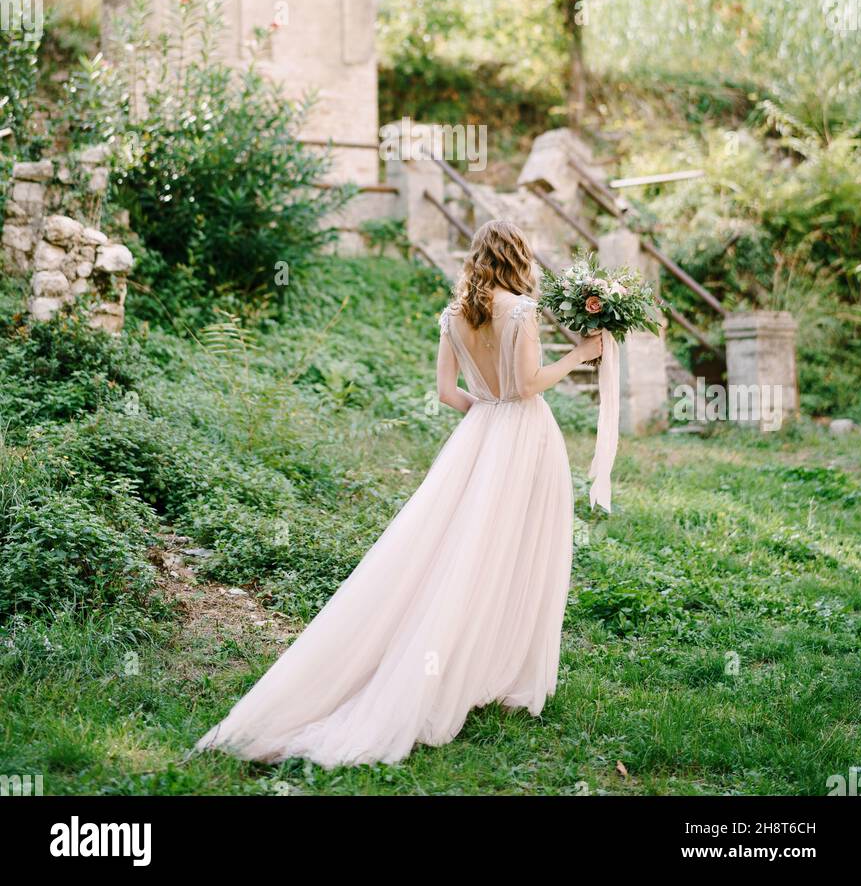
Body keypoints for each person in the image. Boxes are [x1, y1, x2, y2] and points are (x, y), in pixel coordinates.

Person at [195, 218, 602, 768]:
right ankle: (497, 673)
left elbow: (444, 392)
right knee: (518, 551)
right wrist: (580, 356)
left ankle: (468, 667)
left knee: (460, 552)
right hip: (527, 438)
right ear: (518, 257)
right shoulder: (522, 312)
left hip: (478, 437)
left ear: (478, 256)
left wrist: (486, 417)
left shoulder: (455, 316)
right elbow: (528, 385)